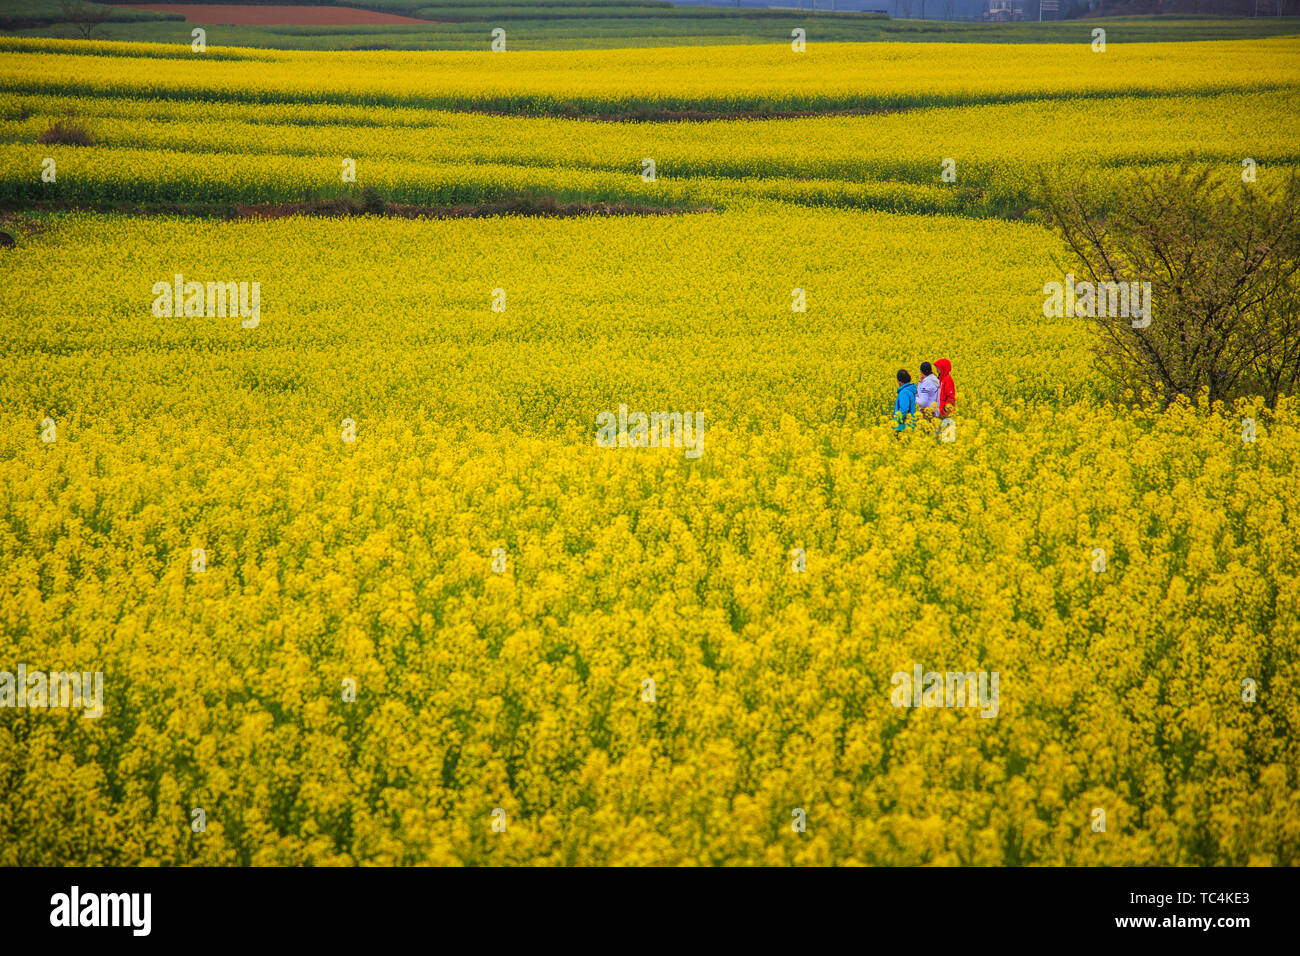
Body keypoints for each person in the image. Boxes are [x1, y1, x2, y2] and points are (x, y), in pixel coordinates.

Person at [893, 369, 917, 434]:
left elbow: (904, 410)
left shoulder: (904, 392)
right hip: (910, 425)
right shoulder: (910, 390)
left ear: (899, 381)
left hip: (903, 427)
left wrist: (895, 421)